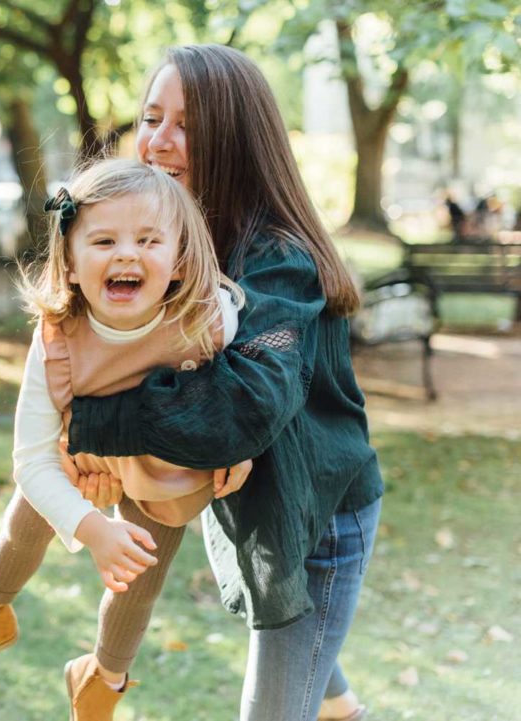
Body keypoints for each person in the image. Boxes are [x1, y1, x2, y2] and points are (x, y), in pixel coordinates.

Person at [66, 46, 383, 721]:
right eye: (152, 117)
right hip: (252, 513)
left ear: (236, 139)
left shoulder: (276, 260)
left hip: (313, 522)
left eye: (188, 124)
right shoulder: (169, 244)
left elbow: (240, 407)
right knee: (314, 672)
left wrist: (86, 425)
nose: (158, 141)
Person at [0, 158, 251, 720]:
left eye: (148, 239)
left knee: (139, 574)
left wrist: (242, 443)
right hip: (83, 455)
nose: (126, 254)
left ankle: (102, 678)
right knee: (29, 514)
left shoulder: (210, 317)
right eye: (103, 240)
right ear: (69, 263)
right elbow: (30, 460)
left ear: (179, 261)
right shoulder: (58, 340)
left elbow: (251, 388)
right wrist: (92, 528)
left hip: (164, 469)